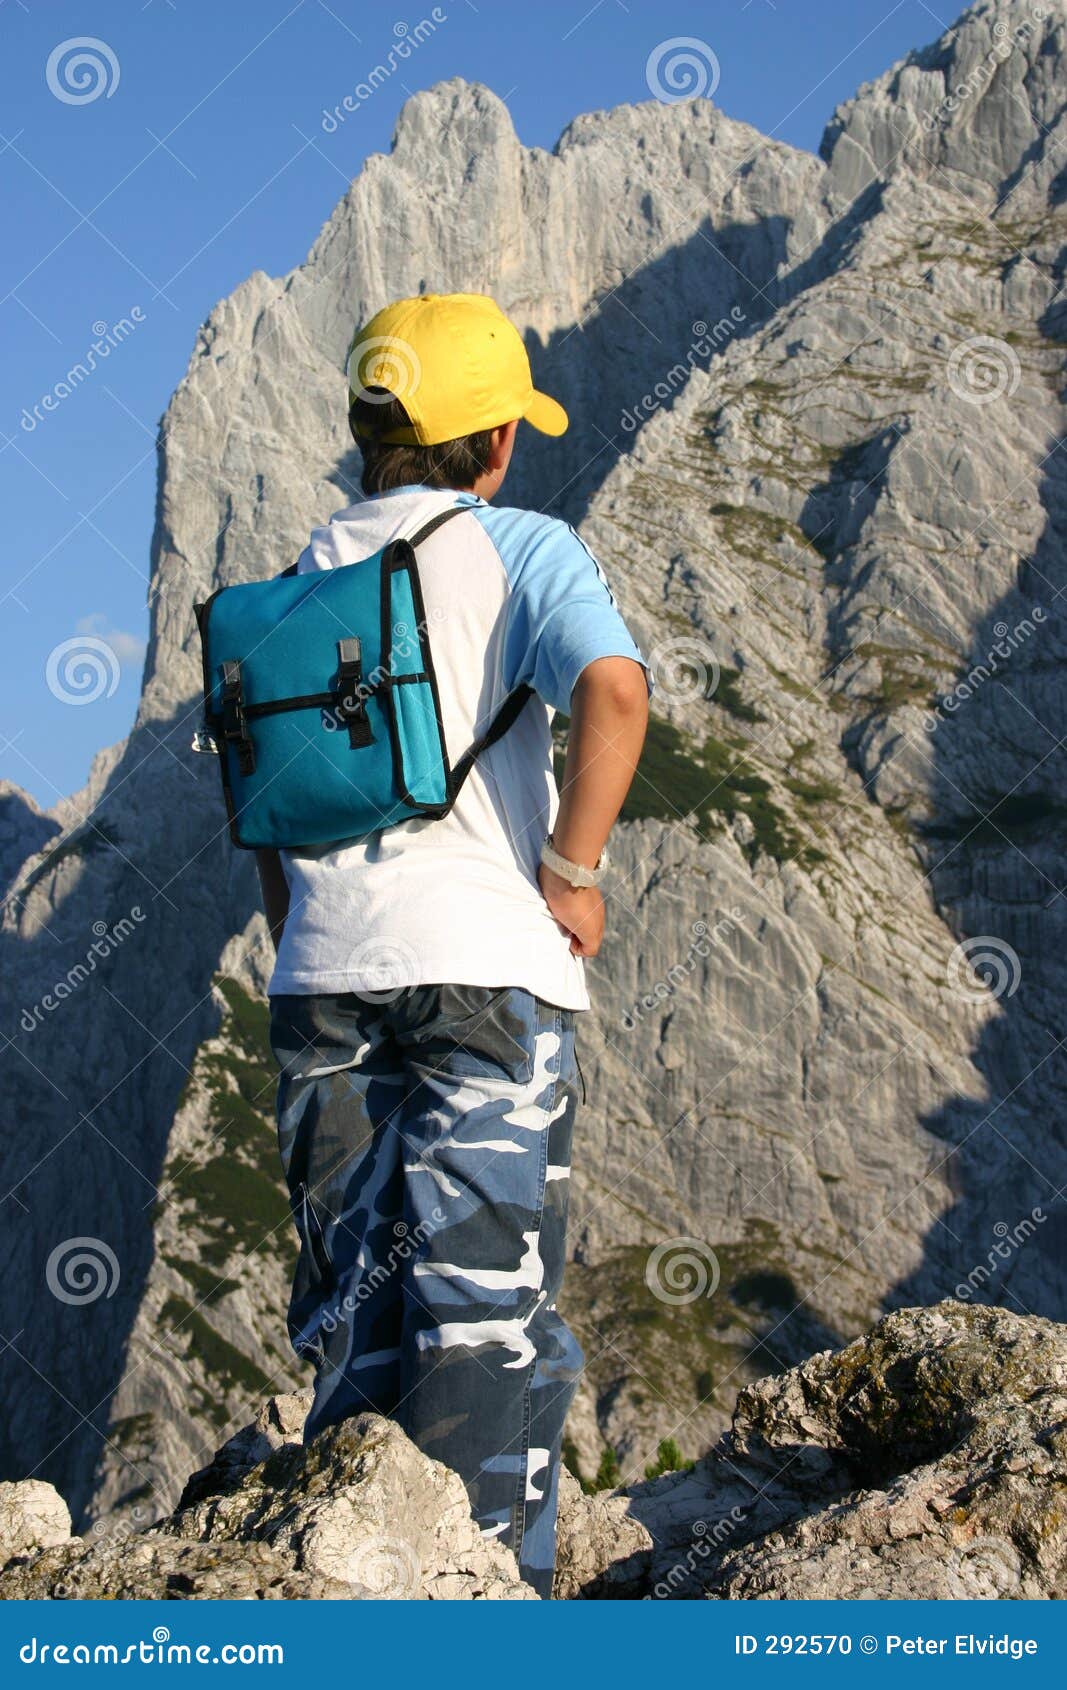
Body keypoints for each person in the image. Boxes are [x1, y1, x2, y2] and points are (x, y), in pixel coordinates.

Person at [258, 292, 649, 1598]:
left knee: (357, 1335)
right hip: (488, 975)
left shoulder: (284, 589)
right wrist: (573, 870)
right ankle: (485, 1625)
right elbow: (614, 690)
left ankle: (355, 1604)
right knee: (479, 1330)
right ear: (491, 444)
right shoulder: (526, 546)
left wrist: (310, 935)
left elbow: (266, 812)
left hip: (323, 982)